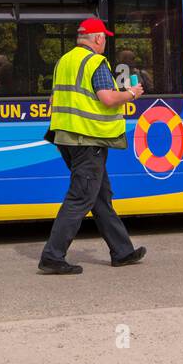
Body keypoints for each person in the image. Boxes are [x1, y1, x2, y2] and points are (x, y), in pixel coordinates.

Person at [38, 17, 146, 274]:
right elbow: (108, 99)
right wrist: (132, 93)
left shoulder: (64, 61)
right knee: (80, 197)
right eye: (104, 37)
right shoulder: (95, 62)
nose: (105, 42)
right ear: (98, 38)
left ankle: (122, 251)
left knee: (100, 197)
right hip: (88, 139)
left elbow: (55, 99)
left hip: (67, 137)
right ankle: (52, 256)